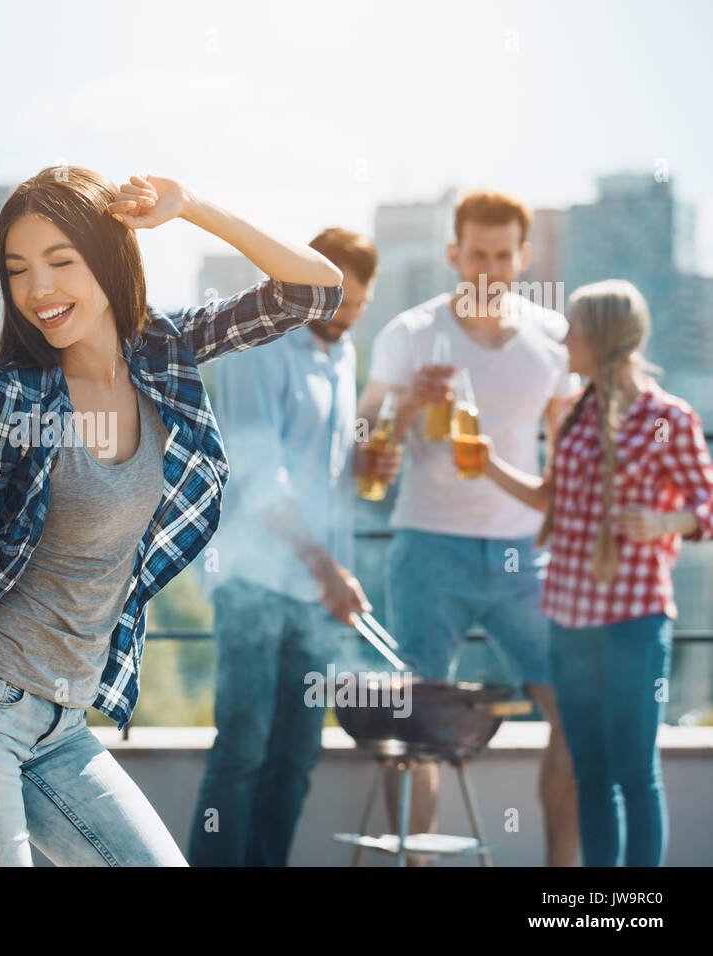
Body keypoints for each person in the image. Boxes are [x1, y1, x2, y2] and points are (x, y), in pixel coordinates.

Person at [0, 167, 344, 866]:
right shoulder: (6, 401)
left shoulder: (162, 356)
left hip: (62, 724)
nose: (39, 290)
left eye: (61, 261)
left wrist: (191, 207)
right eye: (18, 270)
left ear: (109, 260)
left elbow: (316, 291)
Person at [356, 190, 580, 866]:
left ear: (523, 256)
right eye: (475, 253)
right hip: (428, 550)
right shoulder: (409, 333)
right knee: (418, 726)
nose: (488, 267)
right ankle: (417, 863)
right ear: (454, 254)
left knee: (571, 712)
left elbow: (569, 461)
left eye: (502, 254)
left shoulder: (555, 338)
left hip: (524, 559)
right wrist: (402, 405)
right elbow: (363, 451)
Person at [478, 280, 713, 866]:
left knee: (634, 772)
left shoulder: (668, 418)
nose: (565, 338)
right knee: (591, 773)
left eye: (575, 327)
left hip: (634, 620)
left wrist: (665, 522)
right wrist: (487, 465)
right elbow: (549, 500)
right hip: (569, 619)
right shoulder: (578, 412)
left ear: (602, 338)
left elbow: (706, 506)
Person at [188, 227, 400, 865]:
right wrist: (326, 567)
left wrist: (369, 464)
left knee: (298, 755)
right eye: (344, 301)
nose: (354, 314)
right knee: (245, 747)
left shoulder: (343, 349)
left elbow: (324, 465)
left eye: (362, 304)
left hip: (316, 589)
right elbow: (260, 476)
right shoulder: (259, 347)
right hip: (257, 580)